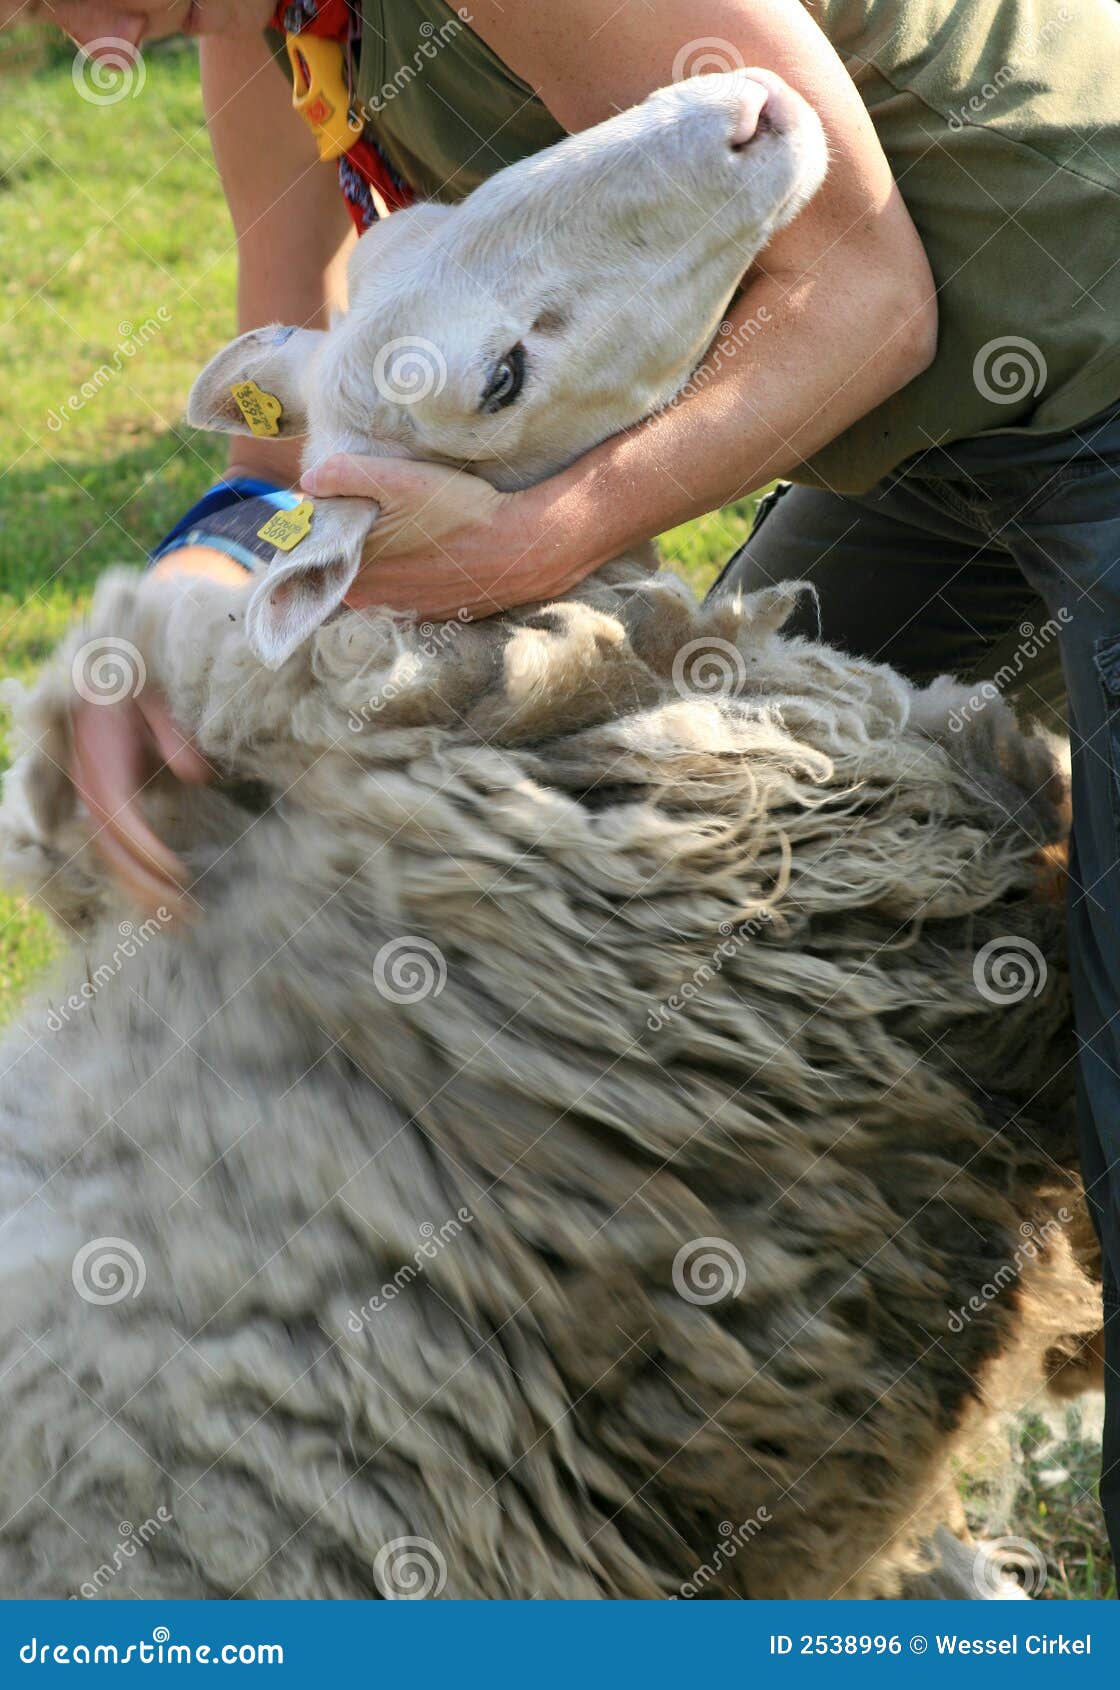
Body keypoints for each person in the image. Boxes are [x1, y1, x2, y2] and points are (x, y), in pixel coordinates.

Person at [10, 0, 1120, 1571]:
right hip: (925, 446)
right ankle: (790, 1483)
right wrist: (157, 631)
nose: (46, 22)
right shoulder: (263, 25)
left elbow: (868, 294)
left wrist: (523, 549)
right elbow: (285, 414)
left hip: (1082, 338)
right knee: (755, 916)